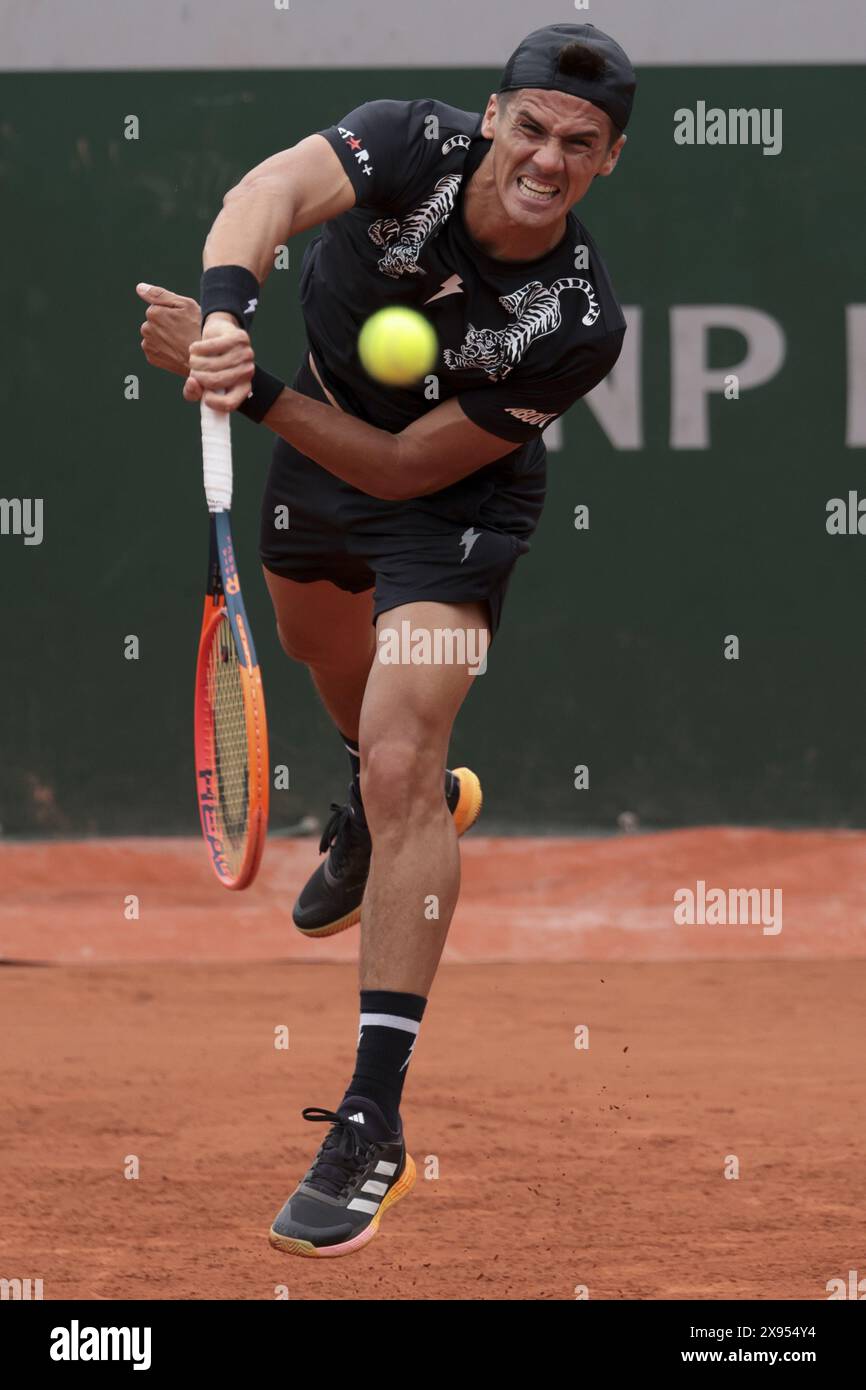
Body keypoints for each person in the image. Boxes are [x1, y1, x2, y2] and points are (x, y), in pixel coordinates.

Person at [138, 21, 635, 1259]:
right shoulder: (406, 141)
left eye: (578, 145)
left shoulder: (579, 319)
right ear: (492, 115)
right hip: (316, 455)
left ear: (607, 161)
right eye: (530, 127)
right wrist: (222, 316)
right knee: (320, 656)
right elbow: (265, 192)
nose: (545, 157)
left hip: (449, 511)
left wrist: (253, 394)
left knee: (408, 754)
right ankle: (364, 803)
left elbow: (415, 470)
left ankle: (371, 1120)